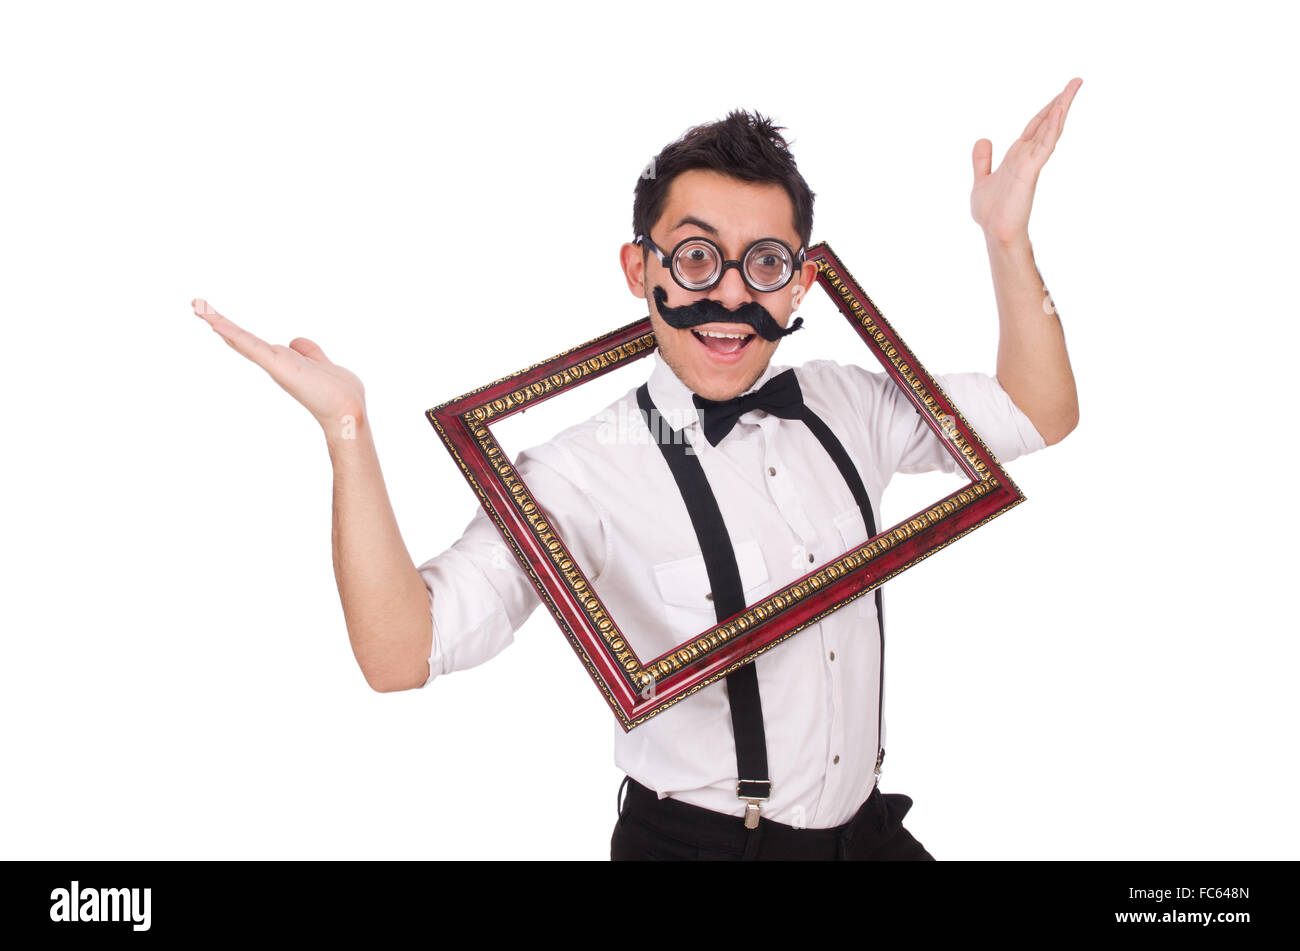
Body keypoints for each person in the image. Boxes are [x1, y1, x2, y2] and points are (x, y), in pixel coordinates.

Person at [191, 78, 1081, 860]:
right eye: (696, 256)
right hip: (702, 849)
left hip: (864, 831)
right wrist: (348, 429)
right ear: (638, 268)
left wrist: (1006, 238)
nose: (730, 294)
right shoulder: (576, 474)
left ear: (802, 280)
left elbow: (1037, 413)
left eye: (764, 263)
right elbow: (401, 651)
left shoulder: (848, 403)